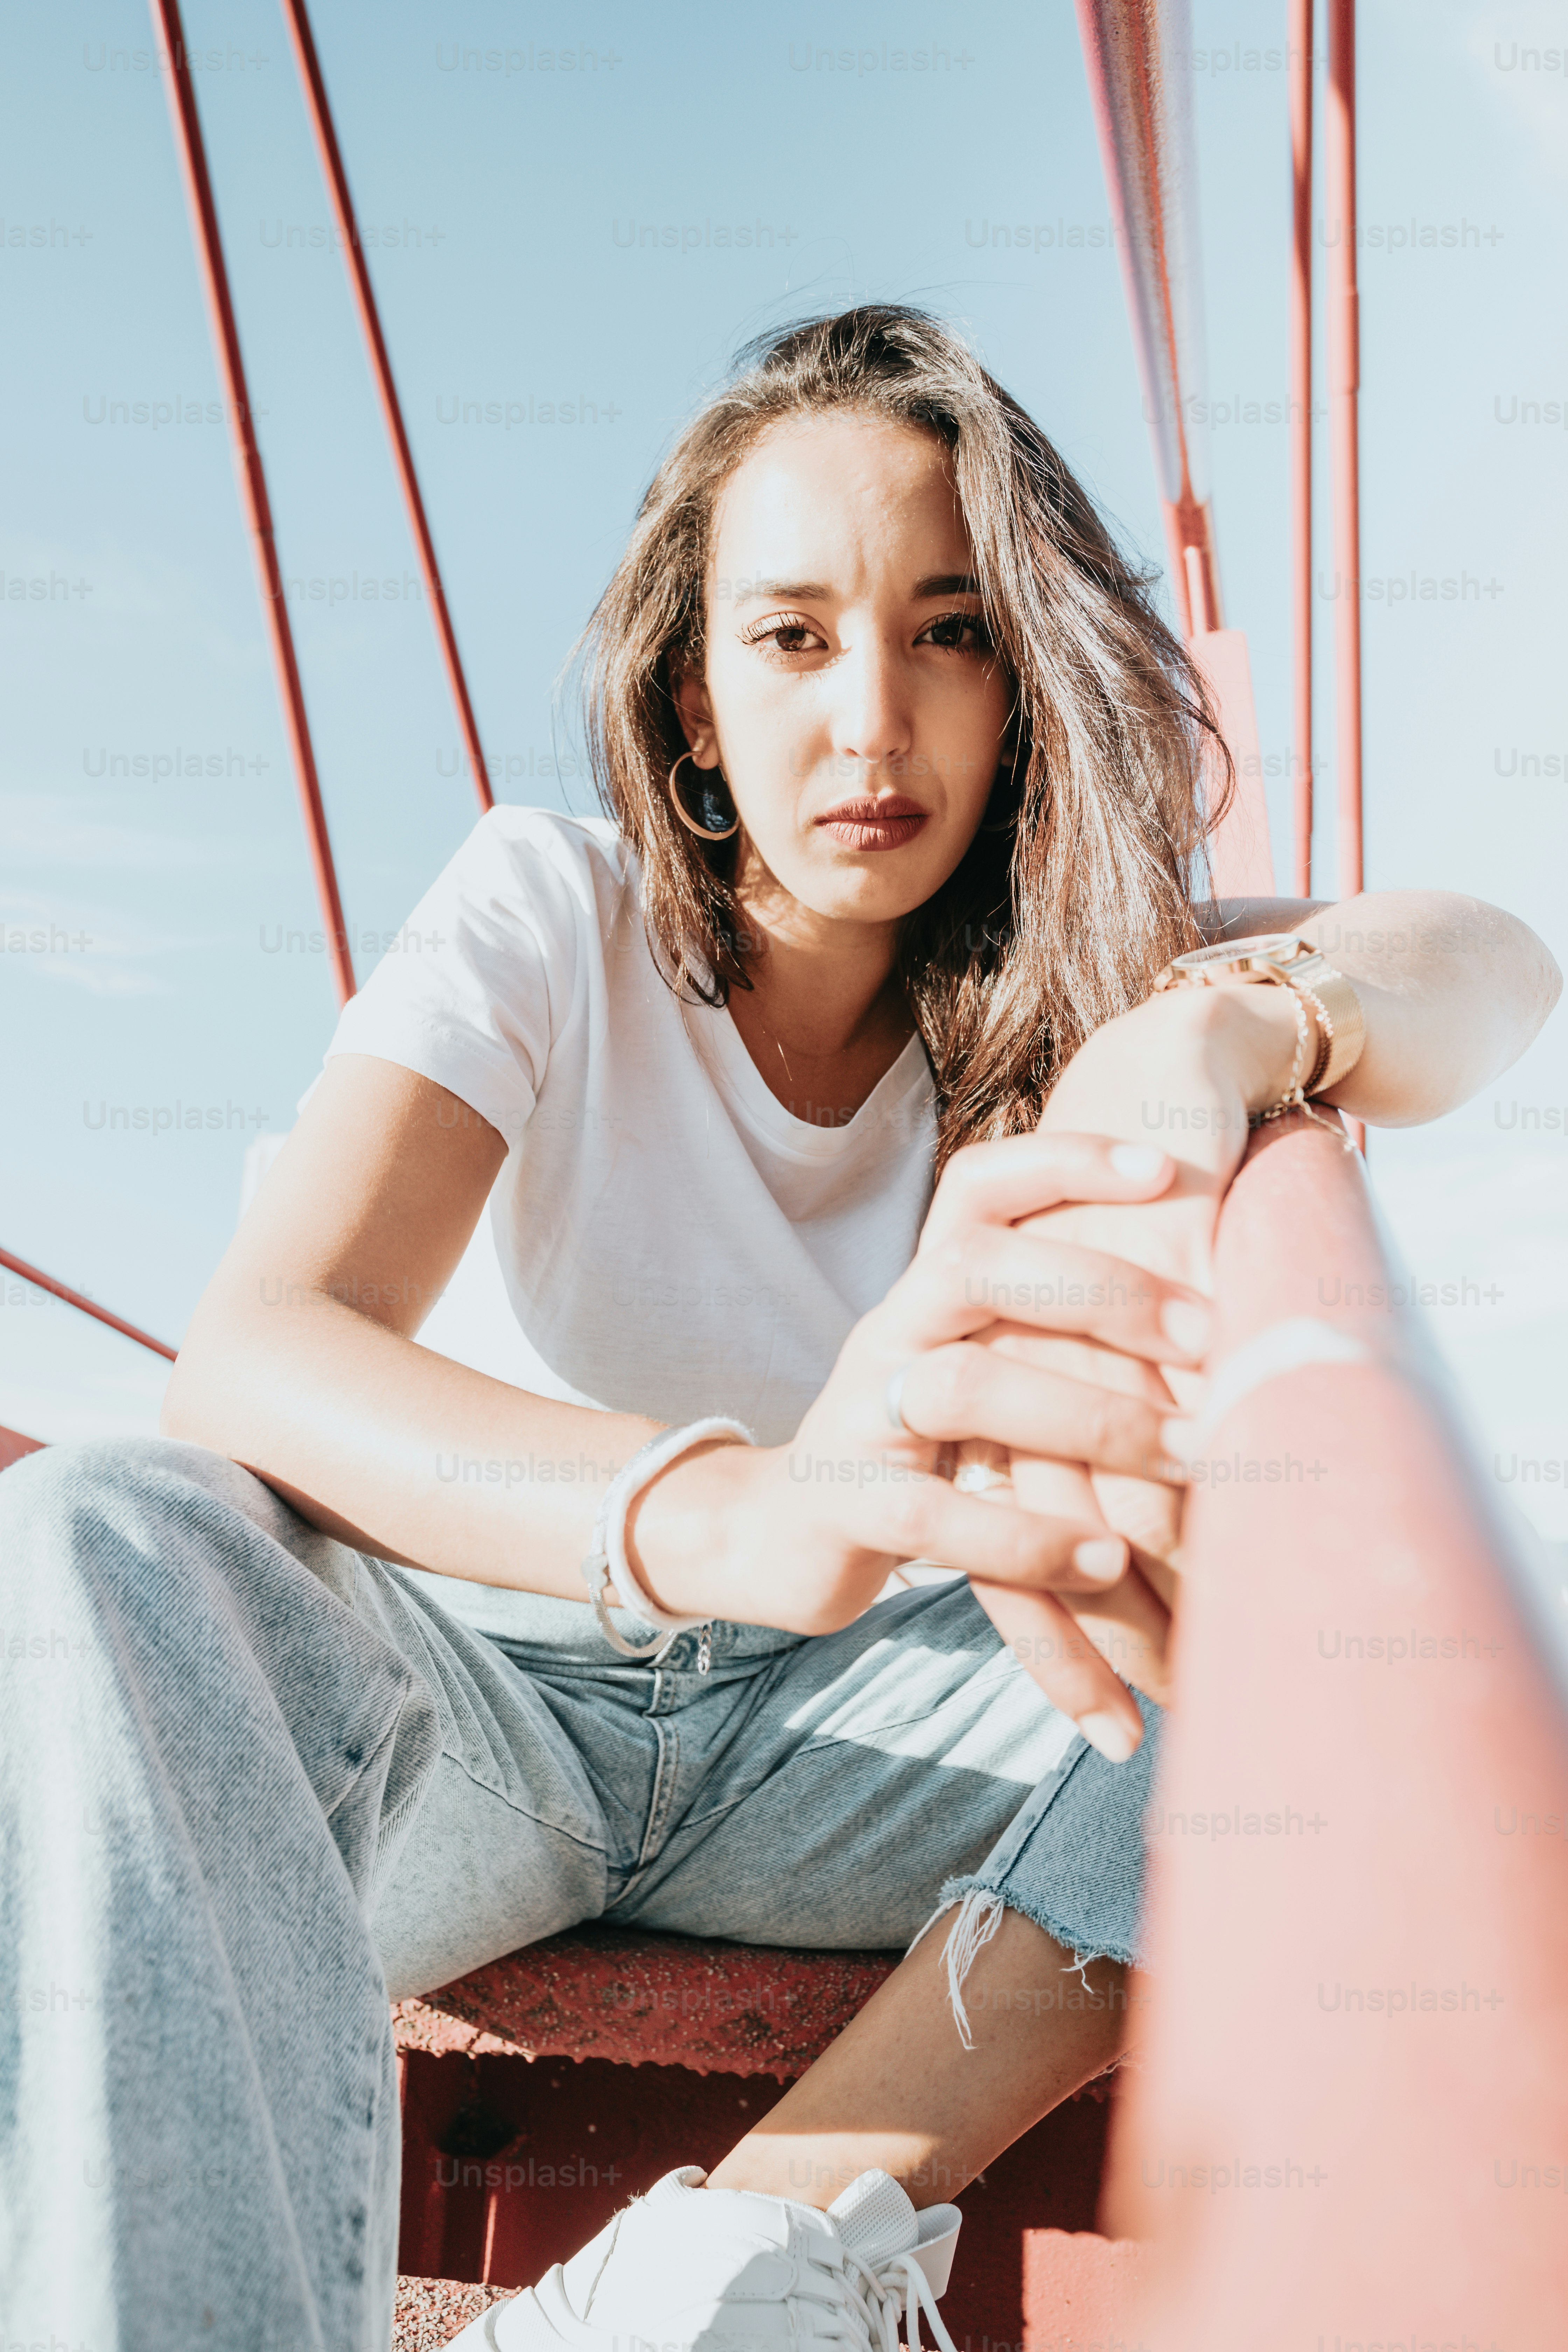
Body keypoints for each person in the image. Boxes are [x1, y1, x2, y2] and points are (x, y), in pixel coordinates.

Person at [1, 307, 1556, 2352]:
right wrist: (739, 1509)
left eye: (950, 632)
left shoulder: (1075, 971)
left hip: (851, 1740)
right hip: (489, 1707)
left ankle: (741, 2247)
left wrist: (1243, 1029)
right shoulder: (547, 909)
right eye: (796, 639)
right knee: (107, 1539)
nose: (875, 725)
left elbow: (1497, 972)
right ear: (696, 704)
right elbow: (266, 1345)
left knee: (1323, 1646)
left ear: (1024, 683)